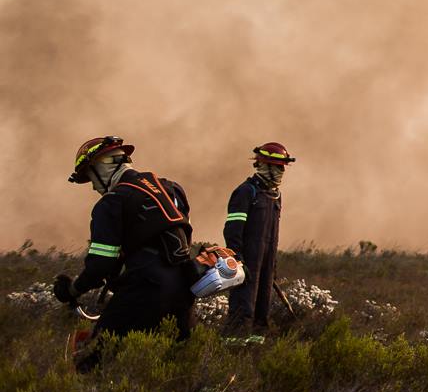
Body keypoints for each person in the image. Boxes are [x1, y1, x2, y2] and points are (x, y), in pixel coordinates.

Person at [52, 136, 199, 371]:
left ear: (102, 166)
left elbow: (100, 264)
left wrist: (72, 290)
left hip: (145, 290)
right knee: (178, 368)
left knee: (93, 358)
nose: (93, 186)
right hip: (185, 290)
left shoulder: (112, 202)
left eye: (90, 177)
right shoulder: (170, 188)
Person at [222, 142, 294, 343]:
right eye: (277, 167)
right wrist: (238, 261)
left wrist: (272, 268)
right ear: (264, 166)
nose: (280, 172)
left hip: (266, 265)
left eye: (282, 168)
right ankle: (232, 352)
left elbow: (272, 236)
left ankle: (254, 356)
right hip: (246, 265)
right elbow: (232, 231)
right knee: (242, 311)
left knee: (261, 314)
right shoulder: (246, 192)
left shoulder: (275, 196)